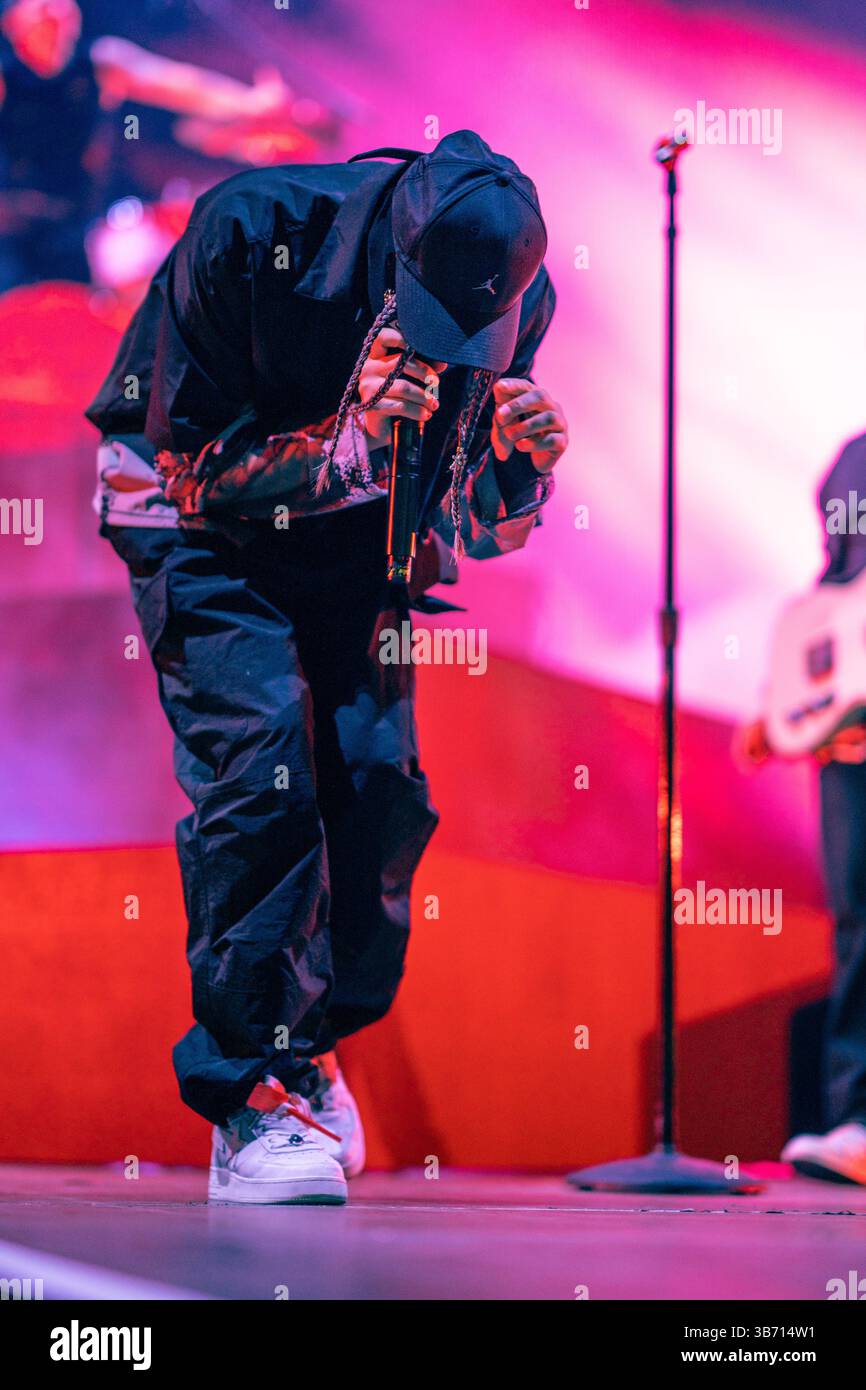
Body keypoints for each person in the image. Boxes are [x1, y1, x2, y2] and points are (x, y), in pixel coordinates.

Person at [86, 129, 568, 1204]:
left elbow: (460, 522)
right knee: (263, 774)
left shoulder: (515, 305)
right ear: (392, 244)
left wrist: (514, 480)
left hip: (355, 553)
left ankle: (306, 1046)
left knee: (378, 797)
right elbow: (186, 470)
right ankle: (250, 1092)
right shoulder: (249, 229)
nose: (453, 356)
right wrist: (341, 446)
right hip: (195, 528)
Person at [739, 433, 866, 1184]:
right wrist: (783, 703)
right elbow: (834, 591)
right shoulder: (854, 459)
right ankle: (859, 1119)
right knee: (857, 918)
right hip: (850, 736)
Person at [0, 0, 311, 289]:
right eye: (42, 9)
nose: (57, 14)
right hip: (10, 234)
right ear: (13, 22)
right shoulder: (7, 76)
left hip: (76, 227)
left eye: (62, 6)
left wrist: (251, 104)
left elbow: (184, 86)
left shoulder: (101, 62)